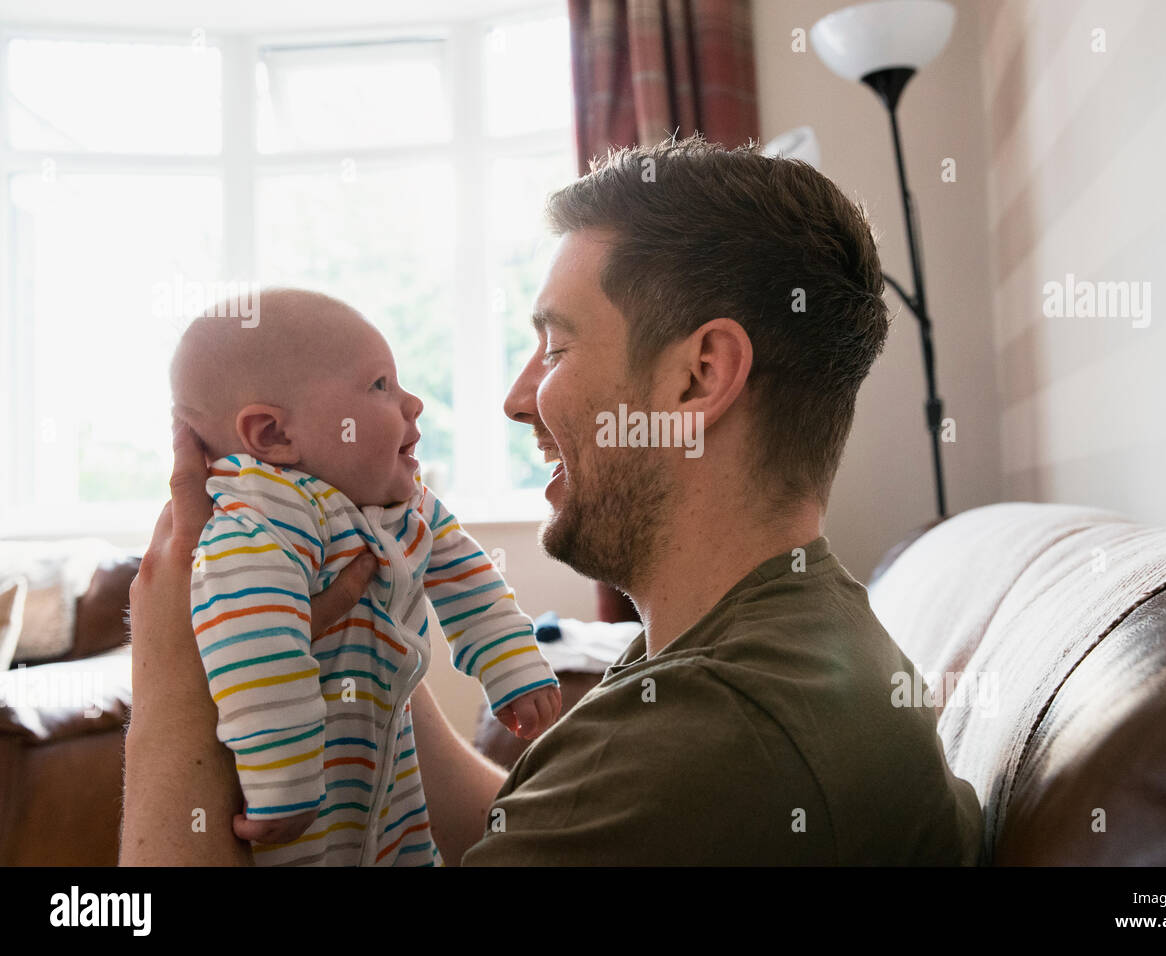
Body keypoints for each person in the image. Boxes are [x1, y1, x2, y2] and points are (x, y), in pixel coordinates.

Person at [124, 134, 984, 865]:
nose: (516, 396)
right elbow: (529, 825)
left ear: (700, 378)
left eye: (556, 347)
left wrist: (168, 672)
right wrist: (368, 611)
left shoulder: (715, 737)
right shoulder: (774, 634)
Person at [166, 290, 560, 864]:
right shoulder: (260, 523)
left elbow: (470, 579)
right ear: (274, 435)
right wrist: (284, 782)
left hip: (395, 799)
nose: (414, 402)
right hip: (306, 819)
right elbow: (256, 646)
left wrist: (514, 667)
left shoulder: (405, 509)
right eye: (381, 386)